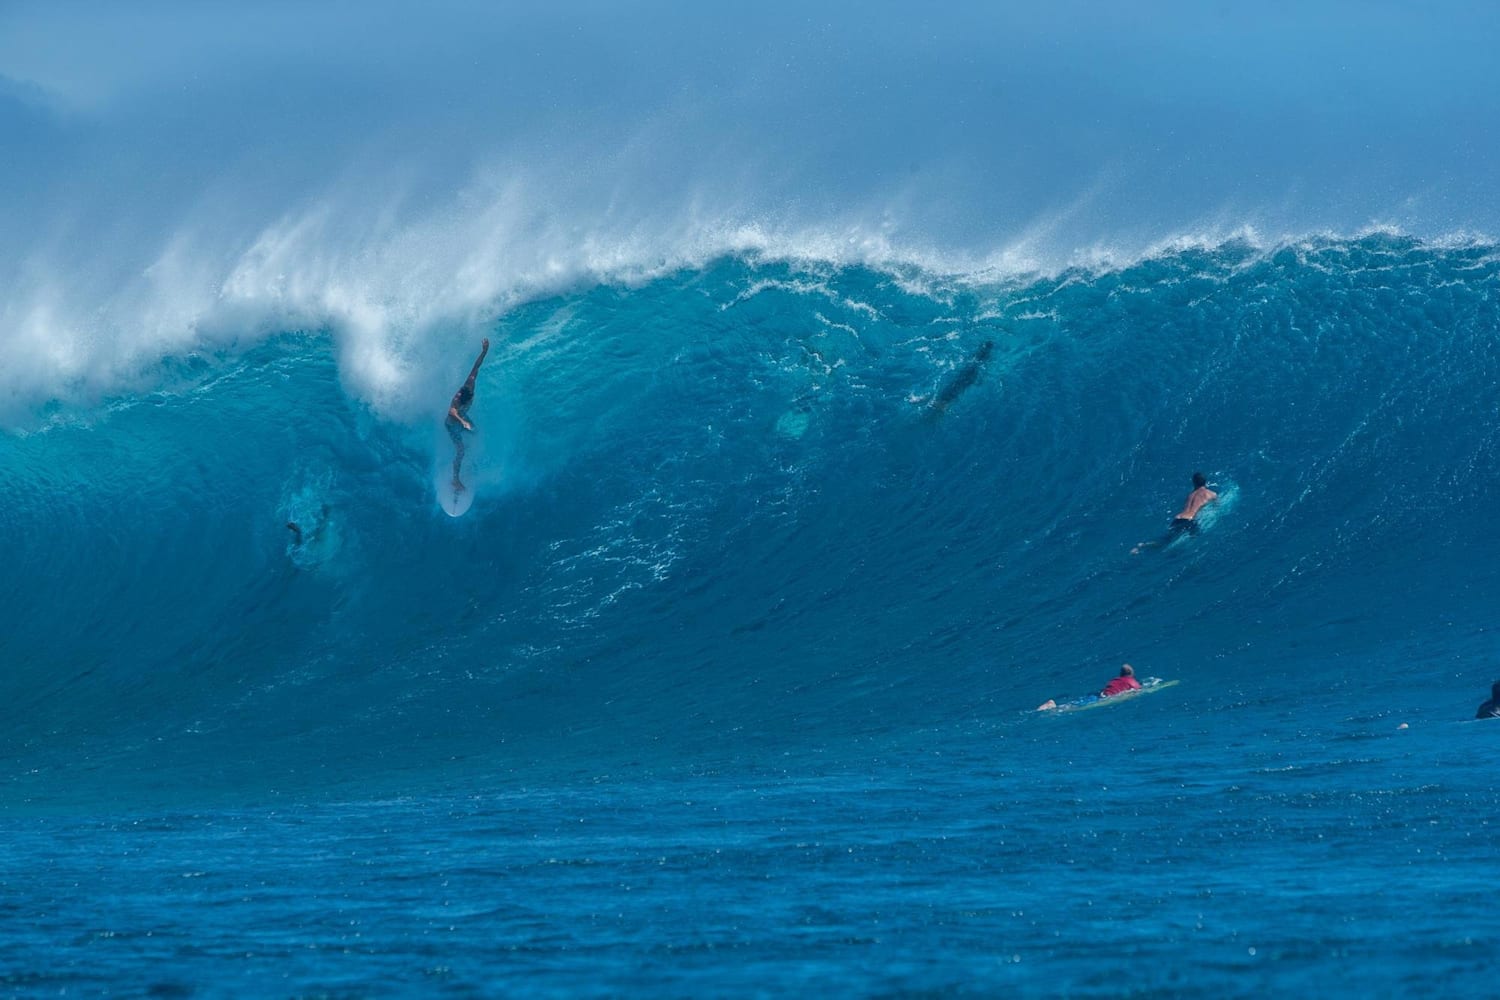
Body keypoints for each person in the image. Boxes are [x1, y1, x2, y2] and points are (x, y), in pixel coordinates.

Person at [1132, 472, 1218, 554]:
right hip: (1189, 520)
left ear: (1194, 483)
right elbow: (1216, 507)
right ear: (1205, 482)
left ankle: (1143, 545)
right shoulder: (1211, 494)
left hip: (1178, 518)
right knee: (1196, 541)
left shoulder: (1190, 494)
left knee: (1166, 540)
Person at [446, 338, 490, 494]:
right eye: (458, 394)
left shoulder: (470, 384)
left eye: (460, 393)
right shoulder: (456, 401)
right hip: (452, 425)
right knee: (460, 451)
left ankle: (468, 449)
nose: (457, 394)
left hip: (463, 417)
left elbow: (476, 366)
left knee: (476, 432)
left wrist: (484, 351)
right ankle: (455, 480)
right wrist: (461, 421)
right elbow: (452, 411)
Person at [1036, 663, 1142, 711]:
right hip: (1105, 698)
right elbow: (1137, 691)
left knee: (1078, 703)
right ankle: (1054, 707)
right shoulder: (1133, 683)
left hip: (1098, 695)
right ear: (1132, 674)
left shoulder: (1116, 679)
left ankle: (1054, 704)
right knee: (1078, 708)